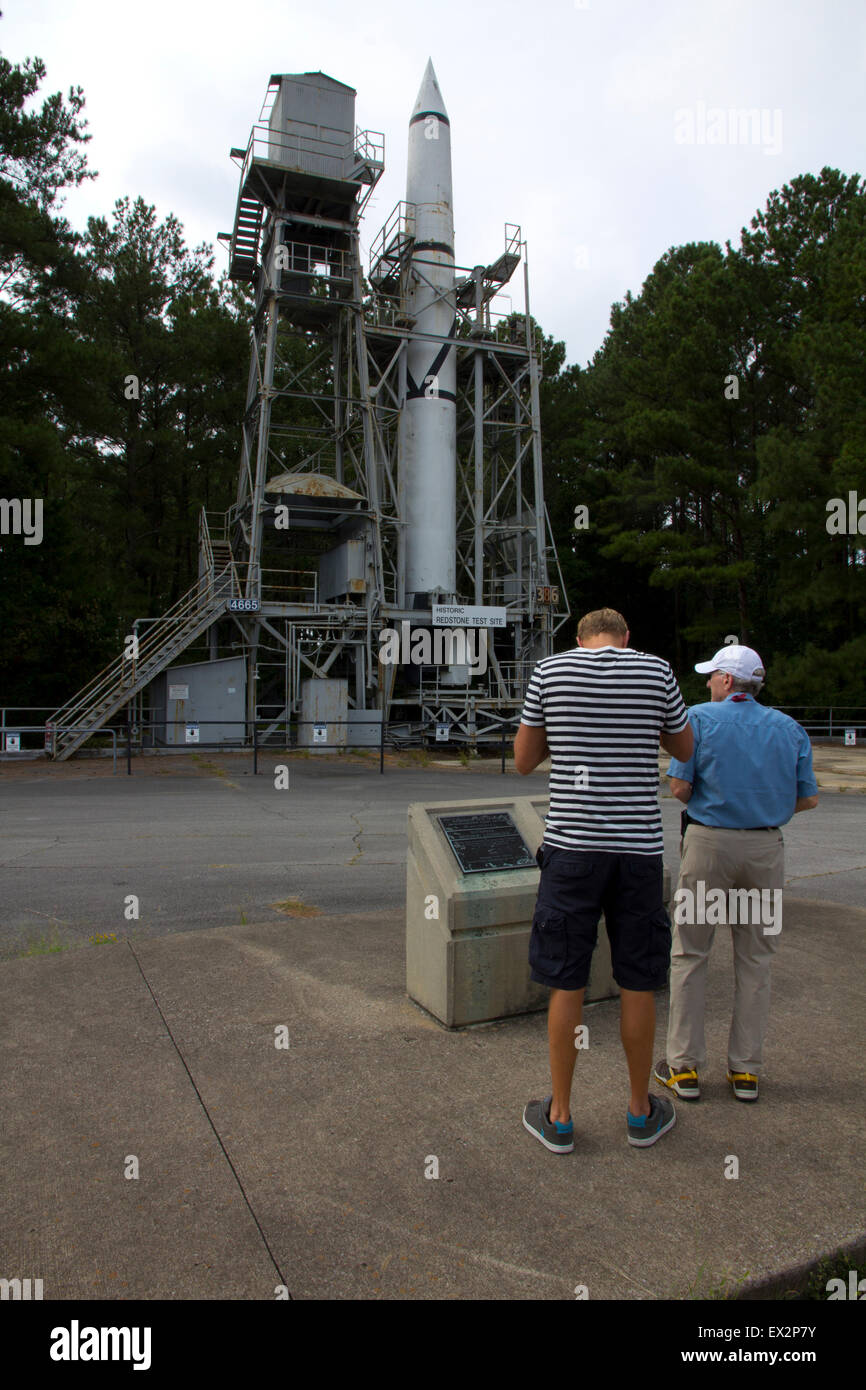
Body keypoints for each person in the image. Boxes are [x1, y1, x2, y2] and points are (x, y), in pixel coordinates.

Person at [514, 607, 693, 1150]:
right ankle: (641, 1111)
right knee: (637, 979)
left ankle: (561, 1116)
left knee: (567, 978)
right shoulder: (657, 671)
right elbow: (684, 749)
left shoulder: (549, 671)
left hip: (571, 851)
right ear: (626, 637)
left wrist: (567, 737)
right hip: (637, 851)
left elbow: (524, 761)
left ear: (579, 638)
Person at [654, 644, 818, 1104]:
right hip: (765, 847)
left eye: (712, 675)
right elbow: (807, 798)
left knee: (691, 953)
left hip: (710, 844)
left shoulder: (700, 719)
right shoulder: (789, 728)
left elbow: (681, 786)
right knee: (756, 959)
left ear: (727, 680)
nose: (707, 682)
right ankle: (746, 1071)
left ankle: (684, 1067)